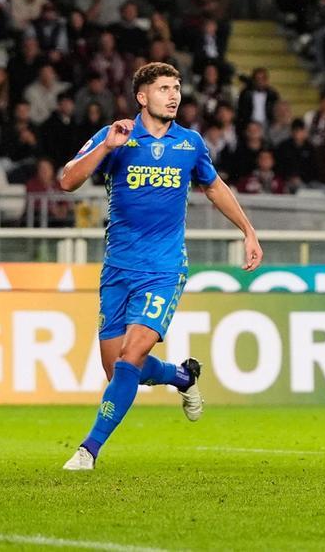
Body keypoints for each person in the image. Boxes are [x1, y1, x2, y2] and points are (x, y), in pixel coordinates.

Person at [60, 63, 262, 471]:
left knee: (130, 358)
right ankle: (180, 377)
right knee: (115, 367)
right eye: (164, 88)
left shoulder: (189, 144)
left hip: (164, 268)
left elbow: (214, 187)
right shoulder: (117, 135)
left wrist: (248, 231)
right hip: (118, 269)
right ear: (142, 96)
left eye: (177, 88)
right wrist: (106, 148)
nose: (174, 96)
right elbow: (67, 180)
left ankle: (88, 450)